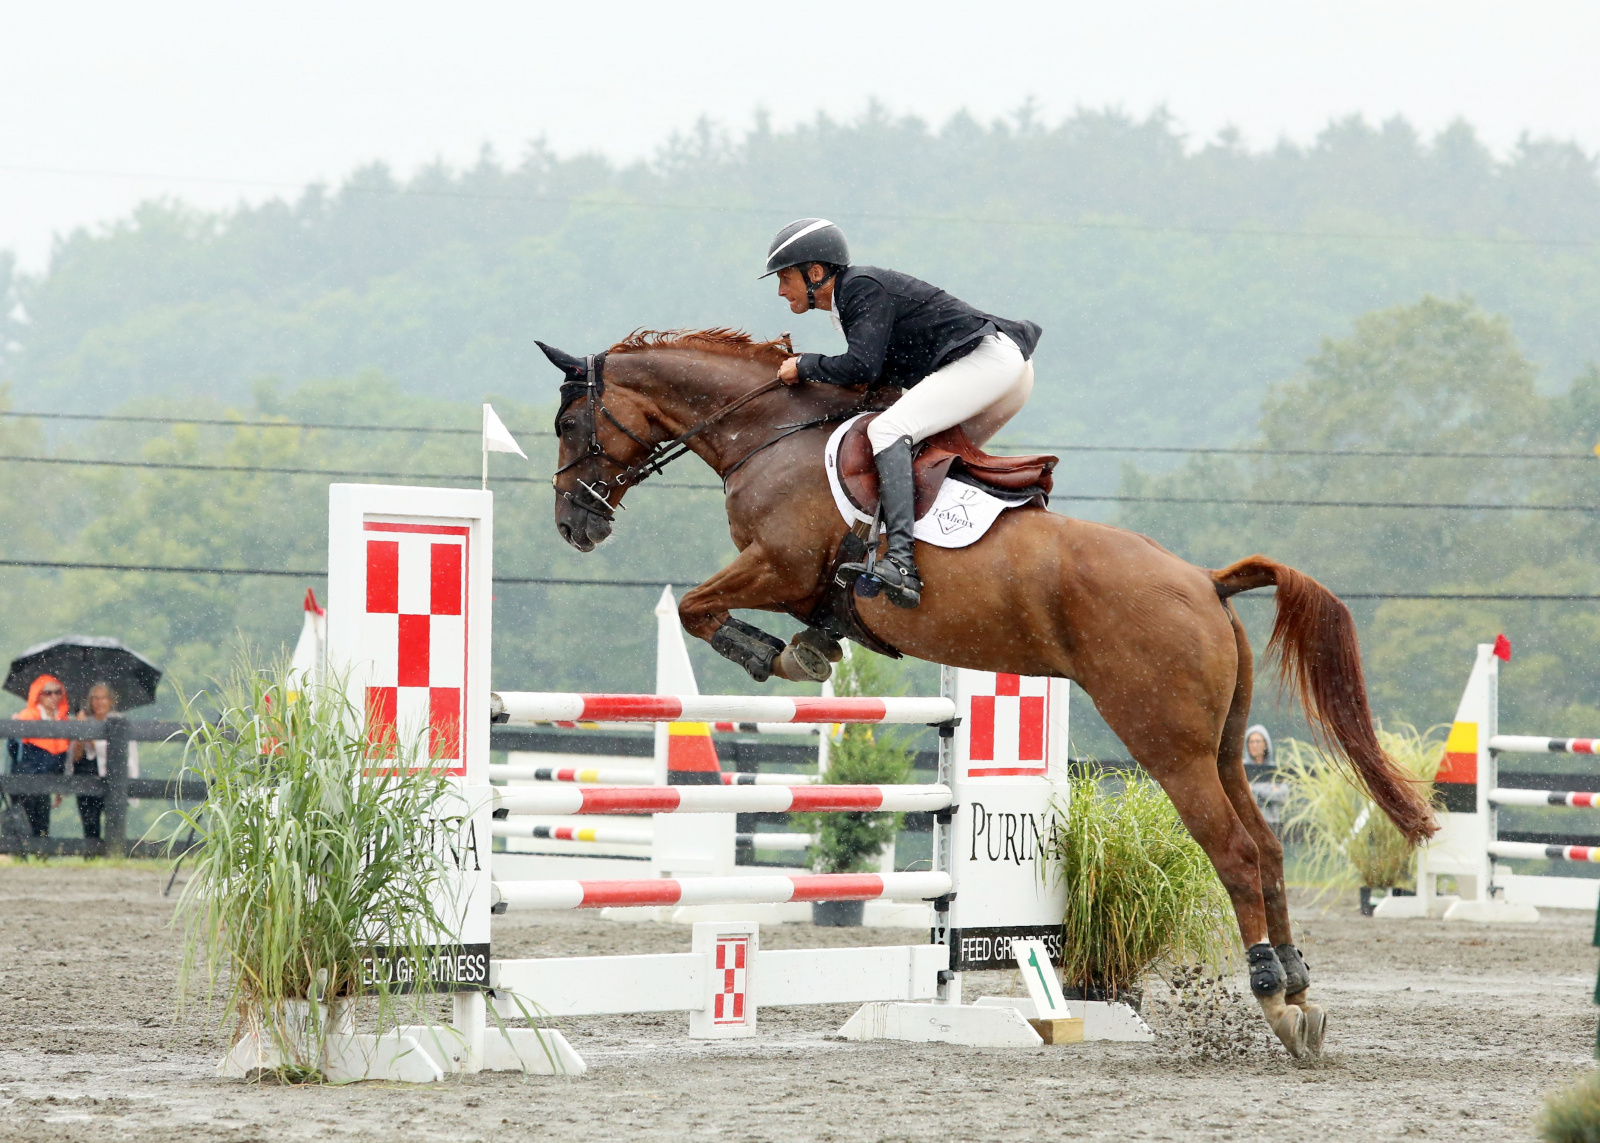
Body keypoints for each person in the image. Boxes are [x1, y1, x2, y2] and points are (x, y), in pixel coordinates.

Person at [763, 218, 1042, 609]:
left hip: (990, 362)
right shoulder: (850, 299)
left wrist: (805, 365)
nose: (779, 290)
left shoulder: (859, 287)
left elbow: (862, 367)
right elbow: (876, 376)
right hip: (1007, 371)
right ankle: (949, 544)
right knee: (928, 455)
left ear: (815, 272)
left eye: (784, 278)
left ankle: (902, 563)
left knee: (889, 430)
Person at [72, 681, 139, 840]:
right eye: (94, 698)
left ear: (111, 700)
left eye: (103, 698)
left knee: (114, 821)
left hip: (113, 776)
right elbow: (75, 756)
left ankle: (113, 854)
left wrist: (92, 738)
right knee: (89, 822)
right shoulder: (84, 721)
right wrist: (81, 730)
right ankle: (91, 856)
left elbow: (122, 753)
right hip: (87, 774)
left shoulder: (120, 722)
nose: (98, 702)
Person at [6, 675, 72, 837]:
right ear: (38, 695)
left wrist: (59, 784)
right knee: (22, 826)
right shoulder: (27, 716)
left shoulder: (65, 722)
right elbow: (14, 752)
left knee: (41, 825)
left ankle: (39, 857)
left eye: (58, 692)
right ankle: (20, 857)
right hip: (25, 779)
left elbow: (62, 758)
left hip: (46, 782)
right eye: (48, 693)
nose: (54, 697)